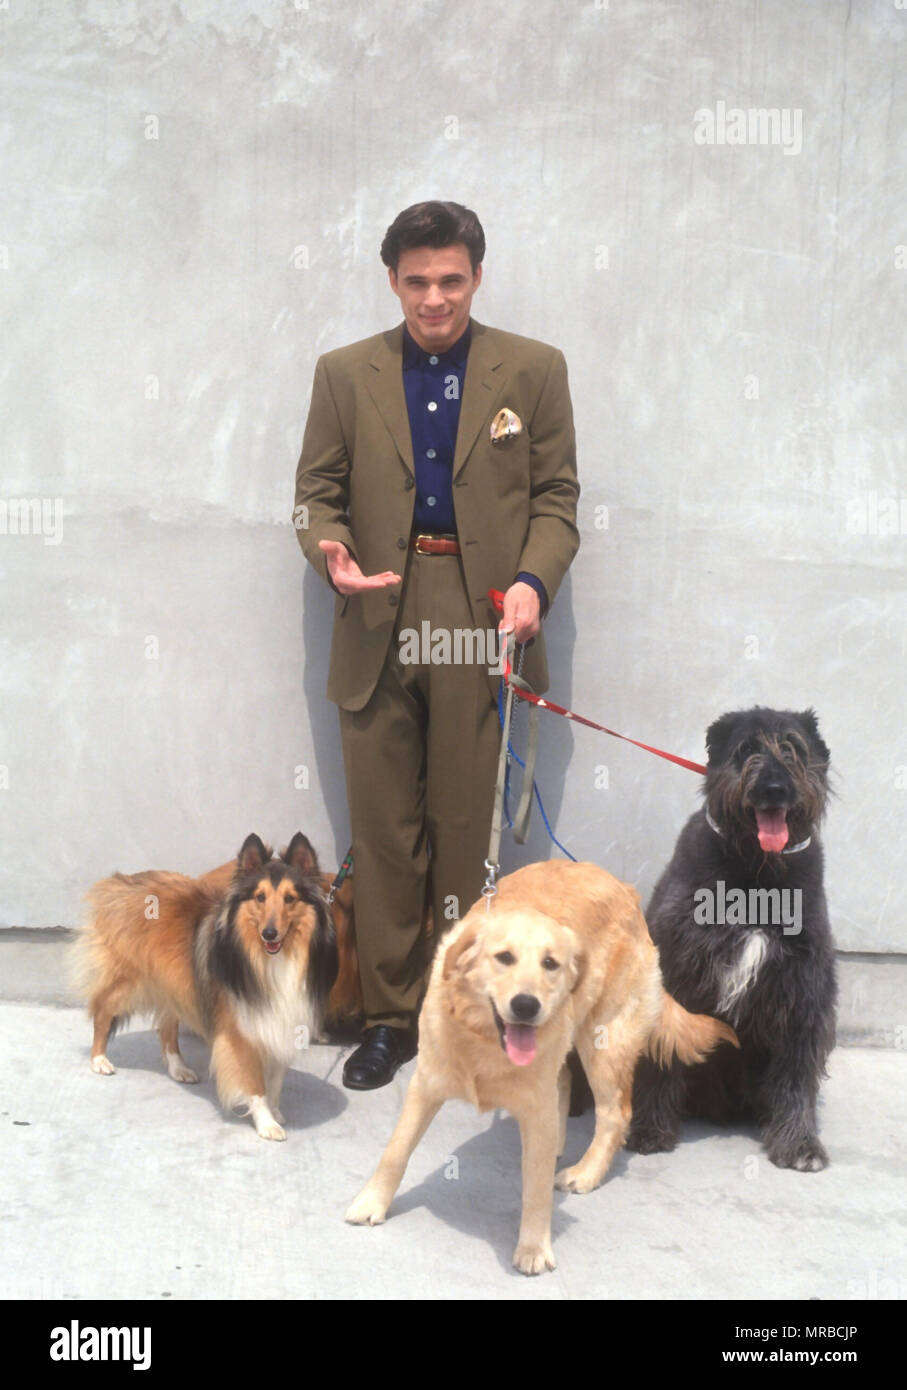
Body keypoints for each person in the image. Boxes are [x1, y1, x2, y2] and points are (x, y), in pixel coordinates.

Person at [294, 201, 579, 1089]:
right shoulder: (345, 373)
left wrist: (531, 583)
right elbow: (314, 493)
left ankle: (466, 1011)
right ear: (392, 280)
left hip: (478, 611)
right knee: (384, 831)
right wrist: (326, 547)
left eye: (450, 280)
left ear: (477, 277)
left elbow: (557, 500)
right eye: (415, 281)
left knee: (465, 828)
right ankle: (387, 1018)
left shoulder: (531, 369)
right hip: (379, 609)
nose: (433, 299)